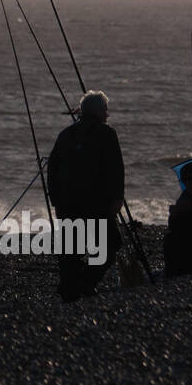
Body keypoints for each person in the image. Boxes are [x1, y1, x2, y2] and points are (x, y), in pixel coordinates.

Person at [47, 90, 125, 301]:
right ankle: (86, 280)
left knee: (71, 247)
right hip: (96, 202)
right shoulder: (107, 133)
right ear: (98, 111)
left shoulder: (66, 134)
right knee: (111, 243)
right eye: (106, 110)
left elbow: (52, 167)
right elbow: (115, 169)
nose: (108, 114)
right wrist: (117, 198)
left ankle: (69, 287)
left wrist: (54, 198)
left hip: (66, 203)